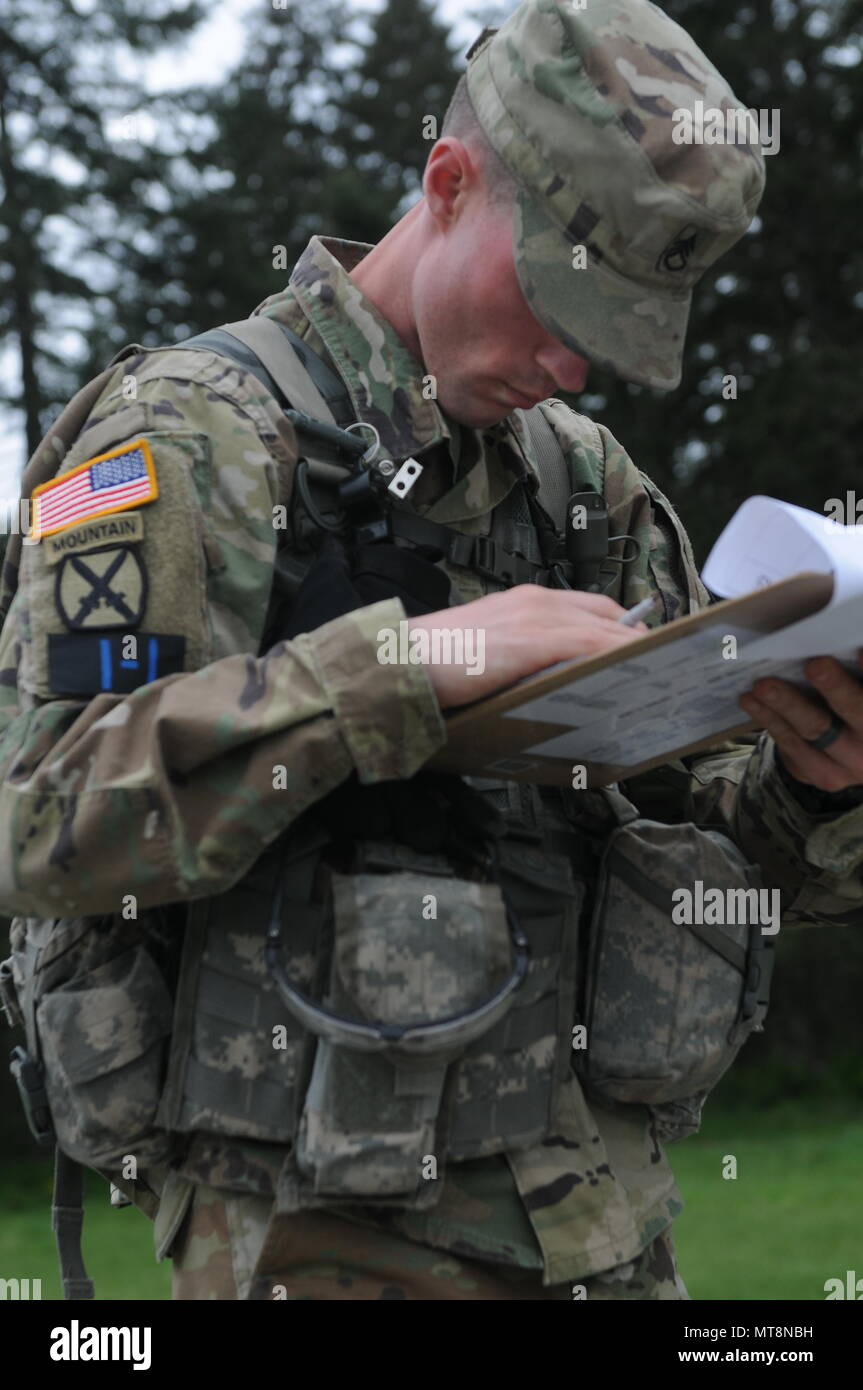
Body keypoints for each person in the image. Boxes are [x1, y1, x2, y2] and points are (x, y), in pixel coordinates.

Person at [2, 0, 863, 1302]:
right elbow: (41, 819)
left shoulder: (588, 490)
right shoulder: (184, 439)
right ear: (448, 184)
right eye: (562, 301)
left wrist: (818, 781)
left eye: (621, 329)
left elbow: (709, 851)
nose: (574, 364)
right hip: (312, 1244)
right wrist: (407, 665)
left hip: (607, 1234)